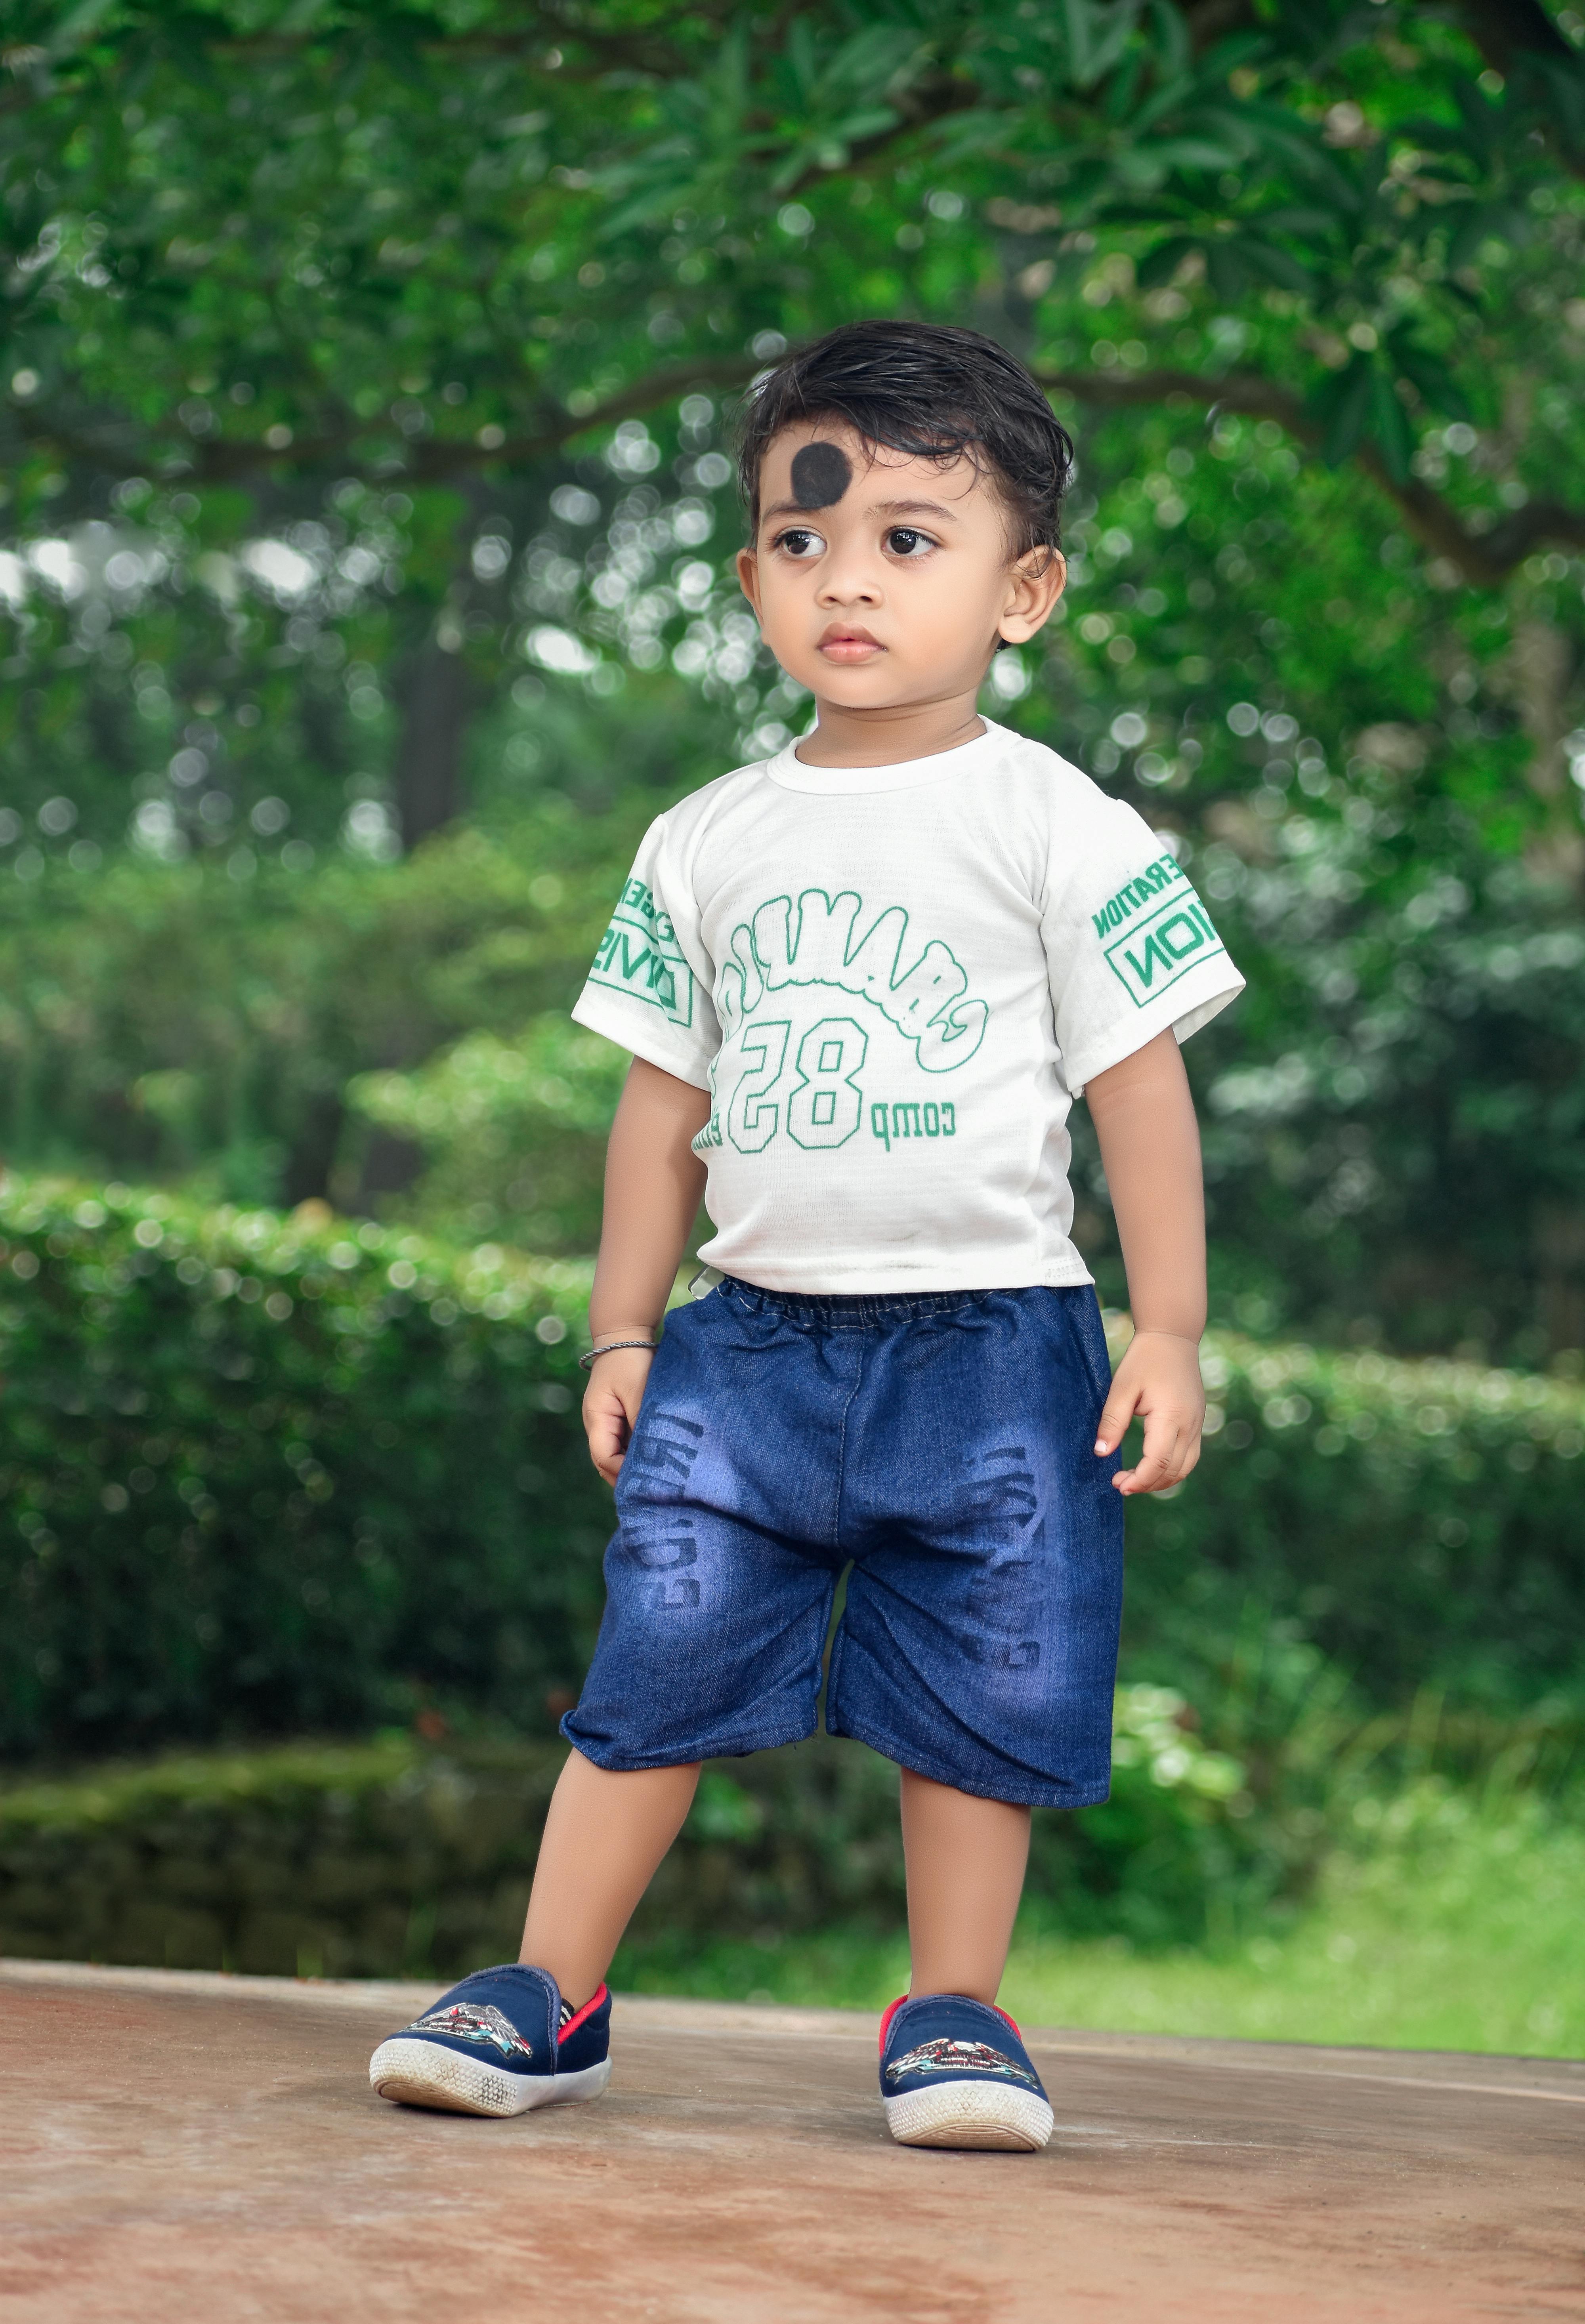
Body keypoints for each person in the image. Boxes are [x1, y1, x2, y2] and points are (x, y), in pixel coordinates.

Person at [370, 319, 1243, 2150]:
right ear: (751, 573)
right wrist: (623, 1329)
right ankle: (550, 1990)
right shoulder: (702, 839)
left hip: (994, 1345)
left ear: (1024, 592)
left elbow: (1138, 1083)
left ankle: (955, 2012)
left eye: (908, 539)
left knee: (982, 1681)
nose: (847, 578)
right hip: (745, 1346)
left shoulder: (1059, 826)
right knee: (655, 1658)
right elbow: (657, 1115)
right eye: (802, 536)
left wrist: (1165, 1325)